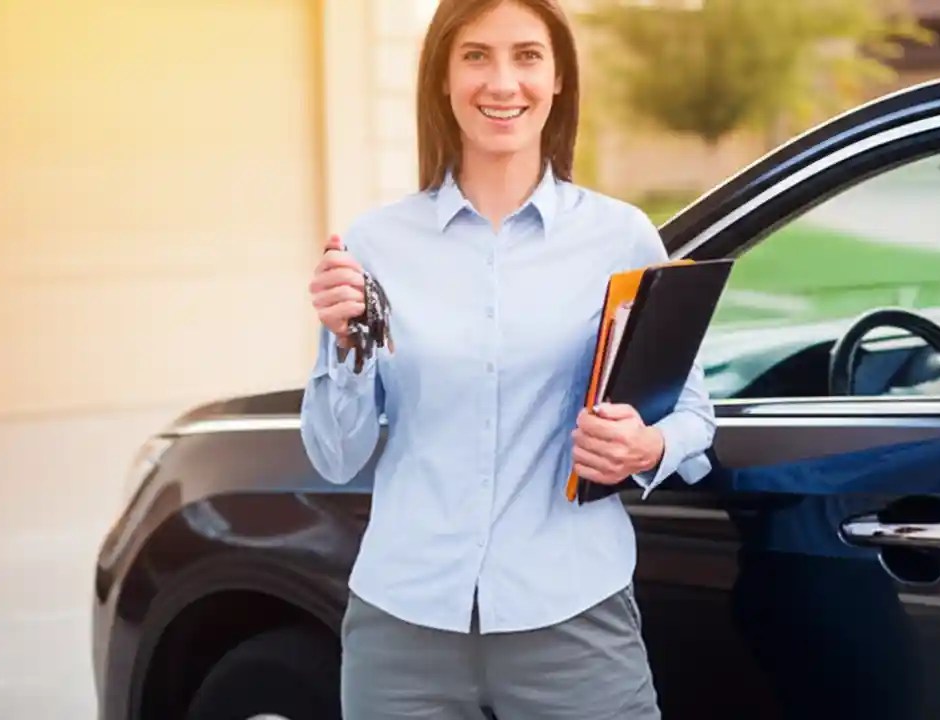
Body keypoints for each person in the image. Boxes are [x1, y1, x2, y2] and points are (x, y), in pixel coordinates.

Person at [299, 0, 716, 717]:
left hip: (575, 619)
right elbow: (336, 458)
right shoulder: (374, 246)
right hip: (403, 629)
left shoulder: (621, 238)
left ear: (557, 80)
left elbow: (693, 410)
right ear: (442, 79)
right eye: (475, 56)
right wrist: (348, 352)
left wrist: (647, 445)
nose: (502, 82)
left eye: (526, 56)